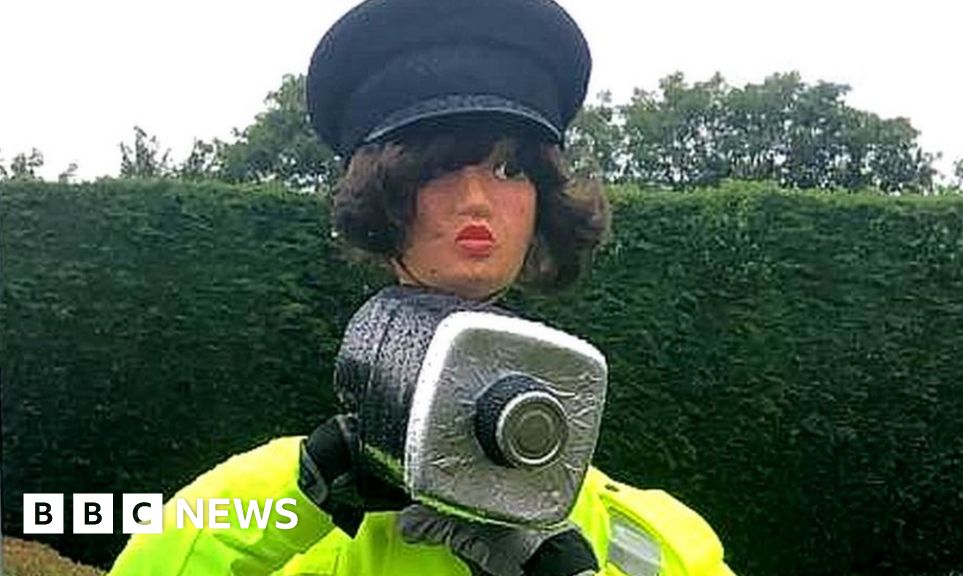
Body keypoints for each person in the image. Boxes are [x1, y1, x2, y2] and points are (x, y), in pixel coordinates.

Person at [109, 0, 734, 574]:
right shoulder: (270, 505)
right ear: (382, 201)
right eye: (437, 167)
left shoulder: (652, 540)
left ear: (541, 202)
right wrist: (311, 489)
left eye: (509, 168)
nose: (476, 199)